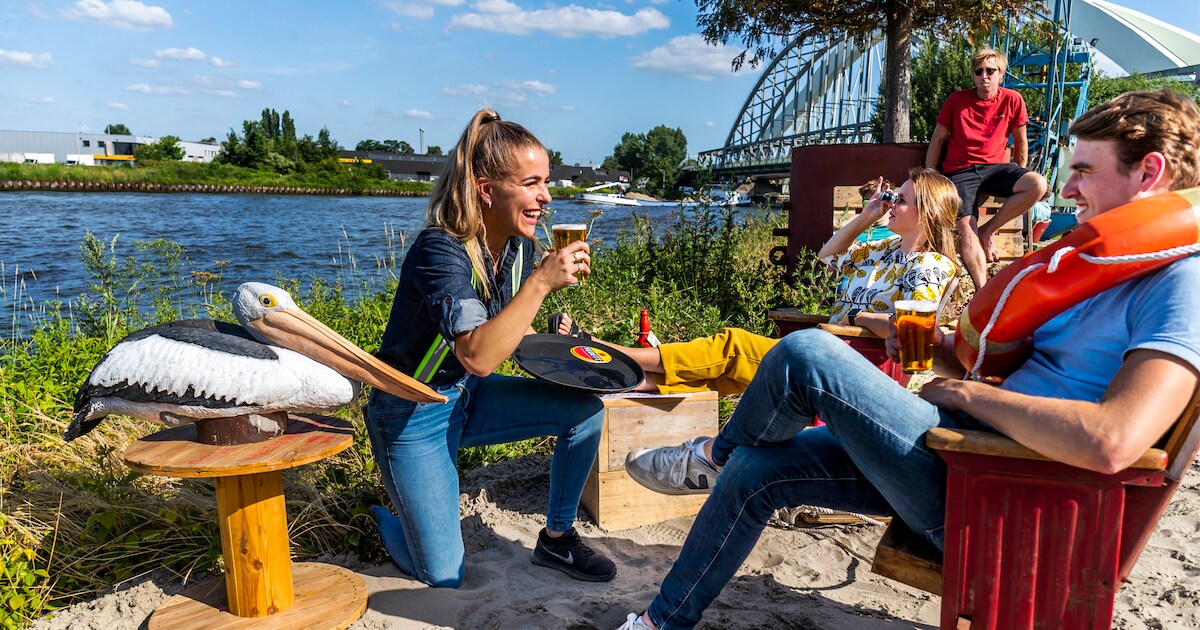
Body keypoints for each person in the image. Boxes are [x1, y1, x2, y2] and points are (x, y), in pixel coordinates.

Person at [614, 89, 1200, 630]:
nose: (1068, 190)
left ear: (1149, 173)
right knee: (755, 472)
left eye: (1084, 171)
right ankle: (660, 621)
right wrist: (944, 352)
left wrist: (968, 395)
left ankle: (714, 455)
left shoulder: (1180, 284)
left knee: (807, 351)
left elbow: (1115, 440)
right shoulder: (1104, 271)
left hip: (1006, 493)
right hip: (964, 459)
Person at [365, 109, 616, 588]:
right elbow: (477, 355)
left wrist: (554, 337)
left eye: (547, 182)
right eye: (532, 183)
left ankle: (557, 539)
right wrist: (541, 284)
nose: (546, 197)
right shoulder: (439, 250)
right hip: (411, 413)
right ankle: (384, 517)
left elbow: (500, 339)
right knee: (442, 575)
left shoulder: (517, 249)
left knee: (585, 413)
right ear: (486, 190)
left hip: (467, 396)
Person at [556, 168, 959, 397]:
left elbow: (910, 329)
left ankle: (602, 351)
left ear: (926, 212)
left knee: (733, 344)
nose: (892, 202)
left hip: (854, 366)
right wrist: (868, 217)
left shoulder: (931, 265)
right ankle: (624, 382)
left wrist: (857, 315)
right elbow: (828, 256)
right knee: (721, 373)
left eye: (900, 200)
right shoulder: (885, 250)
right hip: (821, 350)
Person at [926, 48, 1048, 290]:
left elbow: (1020, 141)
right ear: (972, 75)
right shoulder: (956, 100)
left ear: (1001, 74)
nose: (984, 76)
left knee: (1037, 184)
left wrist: (1019, 173)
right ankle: (983, 293)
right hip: (960, 171)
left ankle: (988, 231)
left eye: (990, 71)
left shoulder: (1013, 99)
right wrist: (930, 175)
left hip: (996, 168)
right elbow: (937, 139)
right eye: (978, 71)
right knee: (965, 228)